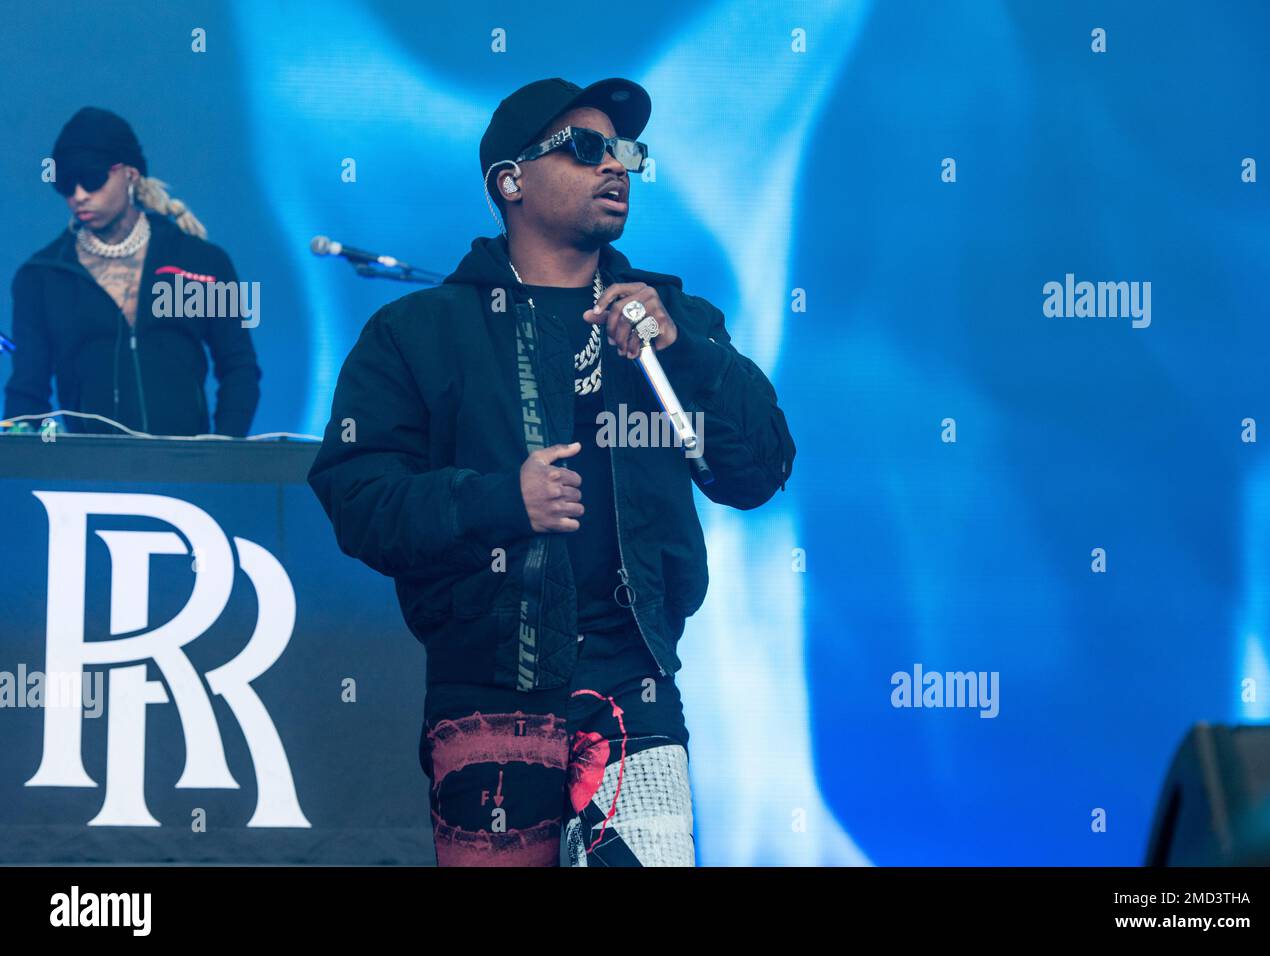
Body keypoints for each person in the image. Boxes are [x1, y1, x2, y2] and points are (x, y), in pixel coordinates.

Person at [309, 77, 796, 866]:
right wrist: (504, 501)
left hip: (635, 690)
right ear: (510, 180)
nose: (615, 166)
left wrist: (683, 353)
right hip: (488, 697)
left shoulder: (676, 321)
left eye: (625, 151)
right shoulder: (421, 332)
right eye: (584, 148)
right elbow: (358, 498)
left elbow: (758, 468)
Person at [4, 107, 260, 436]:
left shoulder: (202, 262)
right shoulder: (41, 276)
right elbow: (28, 391)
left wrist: (223, 450)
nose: (79, 195)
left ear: (130, 173)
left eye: (92, 177)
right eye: (66, 183)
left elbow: (239, 366)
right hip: (86, 474)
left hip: (191, 470)